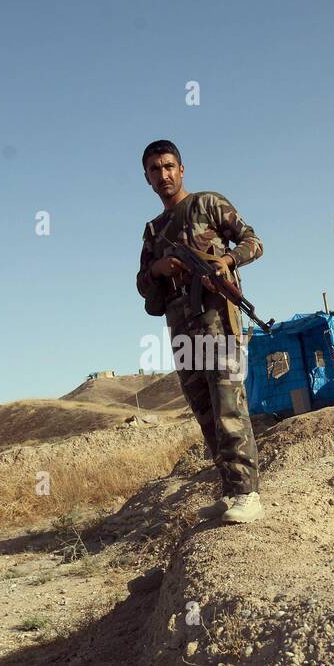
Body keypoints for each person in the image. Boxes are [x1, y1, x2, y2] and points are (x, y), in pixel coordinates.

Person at [135, 140, 264, 524]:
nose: (164, 175)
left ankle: (248, 493)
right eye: (155, 169)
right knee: (205, 410)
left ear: (182, 169)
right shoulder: (153, 230)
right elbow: (143, 285)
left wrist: (225, 261)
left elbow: (253, 242)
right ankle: (230, 492)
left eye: (169, 166)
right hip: (181, 325)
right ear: (147, 178)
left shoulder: (207, 204)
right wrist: (160, 270)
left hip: (217, 318)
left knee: (228, 403)